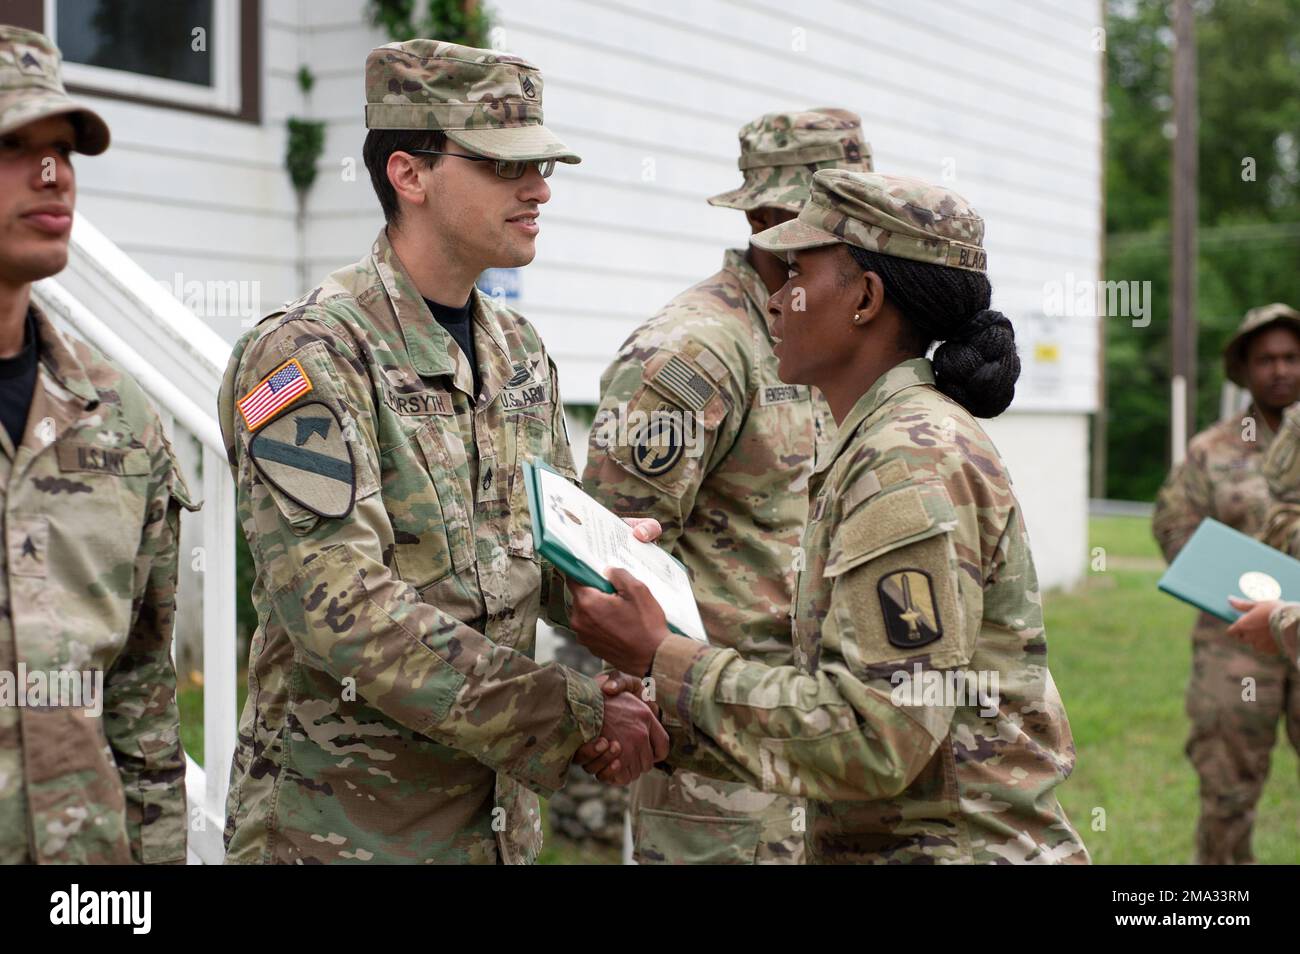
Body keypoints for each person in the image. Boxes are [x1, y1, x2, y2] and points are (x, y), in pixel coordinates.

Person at [218, 39, 665, 865]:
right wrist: (568, 713)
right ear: (408, 174)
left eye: (541, 165)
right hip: (342, 834)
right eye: (504, 166)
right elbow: (338, 610)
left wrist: (622, 584)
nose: (540, 188)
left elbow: (544, 541)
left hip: (493, 830)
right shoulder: (306, 357)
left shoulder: (518, 349)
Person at [567, 169, 1090, 864]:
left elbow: (874, 738)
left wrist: (664, 658)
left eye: (796, 274)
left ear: (866, 299)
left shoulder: (907, 465)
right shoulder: (882, 438)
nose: (776, 301)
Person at [580, 108, 867, 865]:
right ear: (773, 216)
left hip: (822, 734)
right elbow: (610, 553)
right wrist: (635, 703)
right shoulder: (696, 353)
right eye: (842, 218)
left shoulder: (827, 333)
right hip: (721, 764)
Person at [0, 25, 195, 864]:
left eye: (64, 149)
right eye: (14, 145)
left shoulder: (121, 421)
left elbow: (143, 704)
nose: (54, 175)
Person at [1151, 302, 1300, 865]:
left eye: (1291, 357)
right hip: (1234, 644)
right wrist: (1214, 574)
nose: (1281, 369)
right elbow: (1172, 521)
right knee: (1227, 791)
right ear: (1244, 369)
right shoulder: (1211, 449)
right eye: (1266, 359)